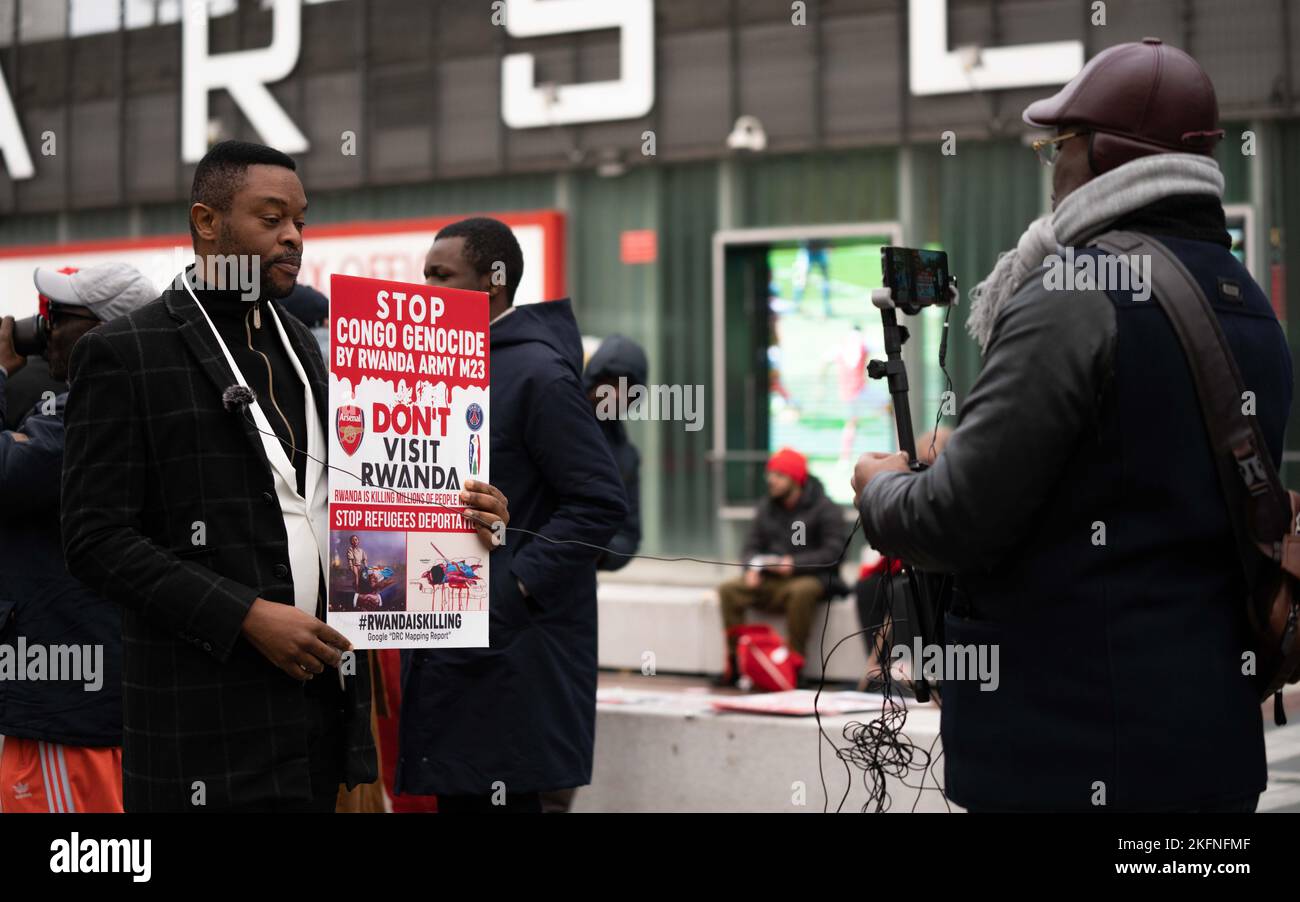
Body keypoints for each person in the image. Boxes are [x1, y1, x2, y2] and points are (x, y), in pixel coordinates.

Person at [851, 40, 1290, 813]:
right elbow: (1133, 479)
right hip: (1211, 754)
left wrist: (880, 487)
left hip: (1065, 755)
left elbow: (953, 520)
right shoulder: (1247, 303)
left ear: (1104, 155)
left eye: (1059, 144)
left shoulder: (1074, 293)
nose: (1052, 165)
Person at [59, 141, 511, 812]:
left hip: (319, 715)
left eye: (301, 220)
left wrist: (462, 518)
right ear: (207, 221)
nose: (294, 236)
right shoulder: (124, 352)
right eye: (271, 219)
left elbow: (358, 501)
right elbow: (94, 540)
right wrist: (243, 615)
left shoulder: (304, 345)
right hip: (203, 725)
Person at [398, 216, 627, 813]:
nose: (427, 289)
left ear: (492, 283)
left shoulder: (538, 374)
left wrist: (515, 586)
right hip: (448, 634)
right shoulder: (443, 365)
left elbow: (599, 502)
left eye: (442, 275)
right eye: (425, 275)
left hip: (510, 649)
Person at [0, 262, 156, 812]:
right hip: (103, 697)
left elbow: (8, 473)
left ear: (101, 333)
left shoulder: (96, 410)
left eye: (59, 316)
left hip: (71, 708)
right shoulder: (148, 399)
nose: (45, 329)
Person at [717, 447, 847, 685]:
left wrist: (794, 564)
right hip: (771, 579)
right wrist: (752, 567)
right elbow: (751, 546)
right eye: (770, 474)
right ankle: (736, 664)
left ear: (795, 479)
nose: (771, 480)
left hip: (811, 578)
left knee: (802, 591)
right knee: (729, 589)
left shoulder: (825, 508)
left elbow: (834, 552)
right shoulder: (767, 507)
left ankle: (794, 666)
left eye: (778, 475)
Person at [583, 334, 647, 571]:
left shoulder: (626, 457)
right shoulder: (553, 423)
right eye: (610, 383)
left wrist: (599, 552)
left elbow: (629, 535)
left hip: (581, 581)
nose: (617, 394)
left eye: (627, 388)